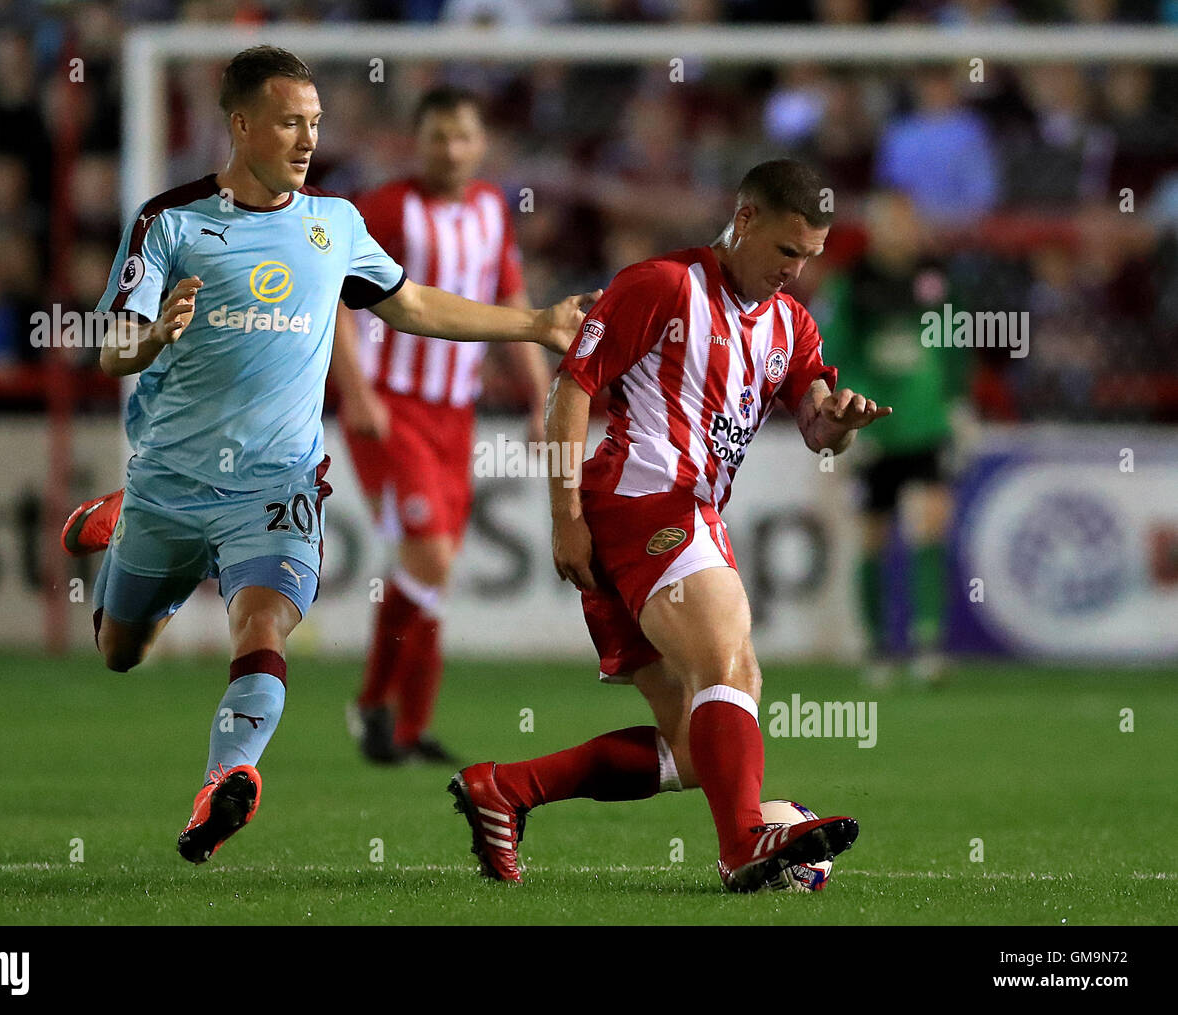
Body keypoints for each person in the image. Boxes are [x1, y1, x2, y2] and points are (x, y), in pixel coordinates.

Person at [66, 46, 593, 865]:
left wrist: (533, 325)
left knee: (264, 618)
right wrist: (150, 338)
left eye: (314, 122)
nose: (308, 139)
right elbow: (111, 349)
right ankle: (123, 512)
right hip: (170, 479)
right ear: (241, 126)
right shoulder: (170, 221)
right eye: (289, 122)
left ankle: (228, 775)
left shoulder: (334, 222)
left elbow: (412, 303)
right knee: (119, 652)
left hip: (277, 484)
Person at [448, 159, 889, 893]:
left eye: (809, 257)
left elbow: (816, 423)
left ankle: (507, 787)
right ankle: (745, 842)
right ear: (744, 219)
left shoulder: (789, 325)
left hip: (659, 519)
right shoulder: (661, 285)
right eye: (786, 251)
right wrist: (565, 517)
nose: (795, 272)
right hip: (647, 501)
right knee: (733, 666)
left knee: (693, 749)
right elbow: (571, 388)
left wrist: (841, 426)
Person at [333, 86, 550, 765]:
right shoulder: (389, 208)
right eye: (436, 137)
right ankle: (374, 704)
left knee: (434, 573)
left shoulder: (491, 209)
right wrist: (357, 387)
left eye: (461, 136)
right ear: (415, 141)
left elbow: (511, 301)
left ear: (481, 144)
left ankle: (404, 724)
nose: (449, 149)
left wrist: (539, 397)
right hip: (390, 407)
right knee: (429, 557)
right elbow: (337, 296)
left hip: (456, 413)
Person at [816, 191, 967, 684]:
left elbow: (955, 345)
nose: (901, 230)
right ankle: (878, 647)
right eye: (891, 221)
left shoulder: (938, 280)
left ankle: (928, 644)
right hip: (875, 425)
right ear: (874, 228)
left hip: (927, 423)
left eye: (907, 220)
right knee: (874, 535)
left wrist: (960, 402)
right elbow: (836, 352)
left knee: (930, 523)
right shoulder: (853, 284)